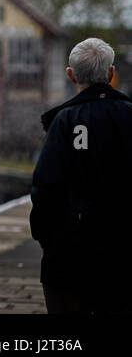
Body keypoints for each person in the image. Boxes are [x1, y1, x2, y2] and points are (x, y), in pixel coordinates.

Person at [30, 37, 132, 314]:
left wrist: (46, 237)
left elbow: (45, 188)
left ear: (71, 75)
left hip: (67, 252)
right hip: (122, 252)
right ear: (111, 74)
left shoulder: (64, 121)